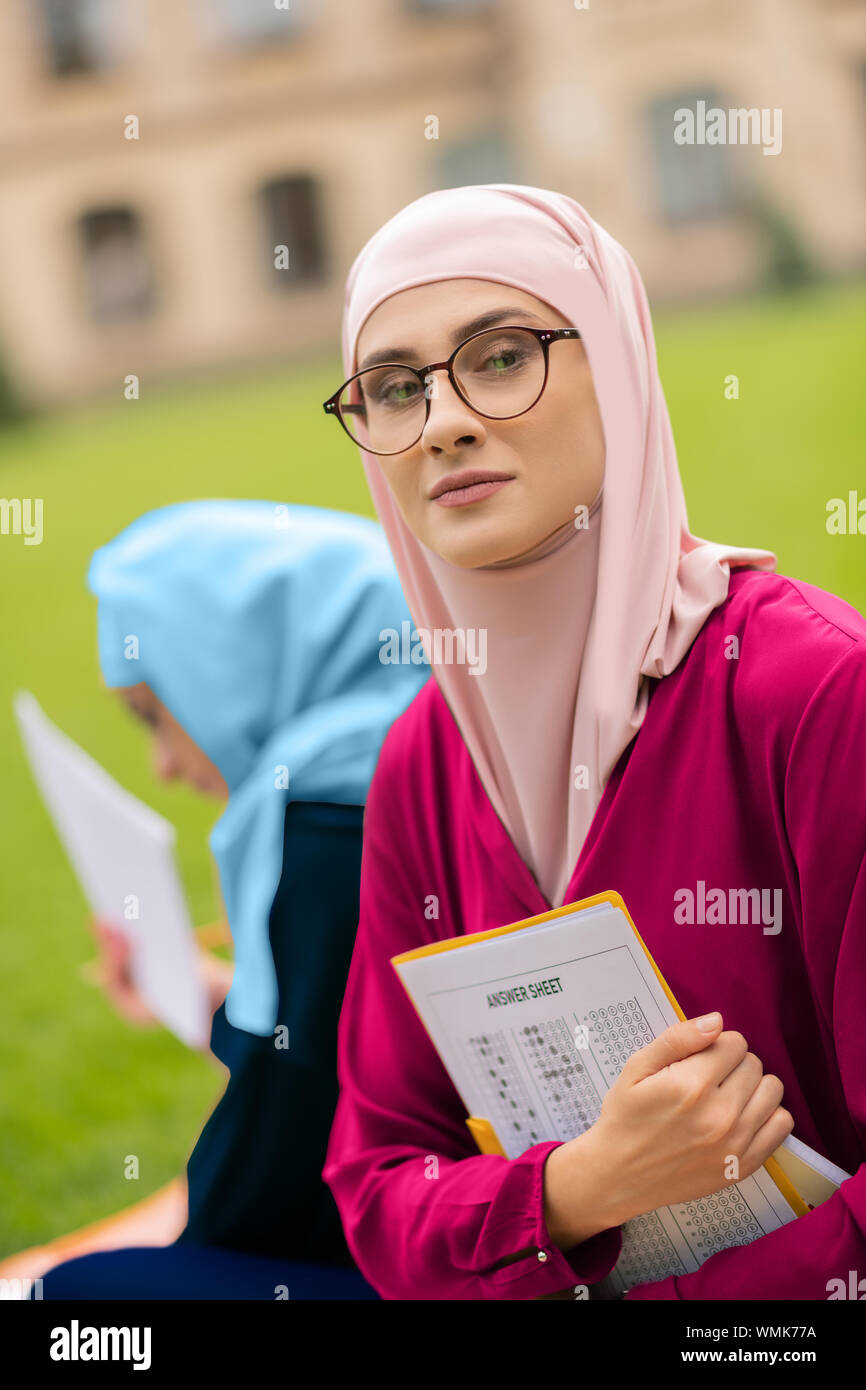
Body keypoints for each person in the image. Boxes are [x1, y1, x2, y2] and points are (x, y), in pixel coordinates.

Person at [320, 183, 866, 1300]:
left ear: (611, 366)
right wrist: (572, 1191)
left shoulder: (813, 690)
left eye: (502, 354)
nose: (444, 422)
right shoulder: (423, 760)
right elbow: (375, 1188)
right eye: (392, 389)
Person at [40, 498, 426, 1299]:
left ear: (237, 664)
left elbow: (273, 1185)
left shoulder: (329, 814)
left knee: (80, 1300)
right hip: (505, 1233)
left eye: (154, 715)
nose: (165, 766)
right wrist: (220, 1002)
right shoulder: (430, 736)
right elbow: (354, 1059)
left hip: (439, 1262)